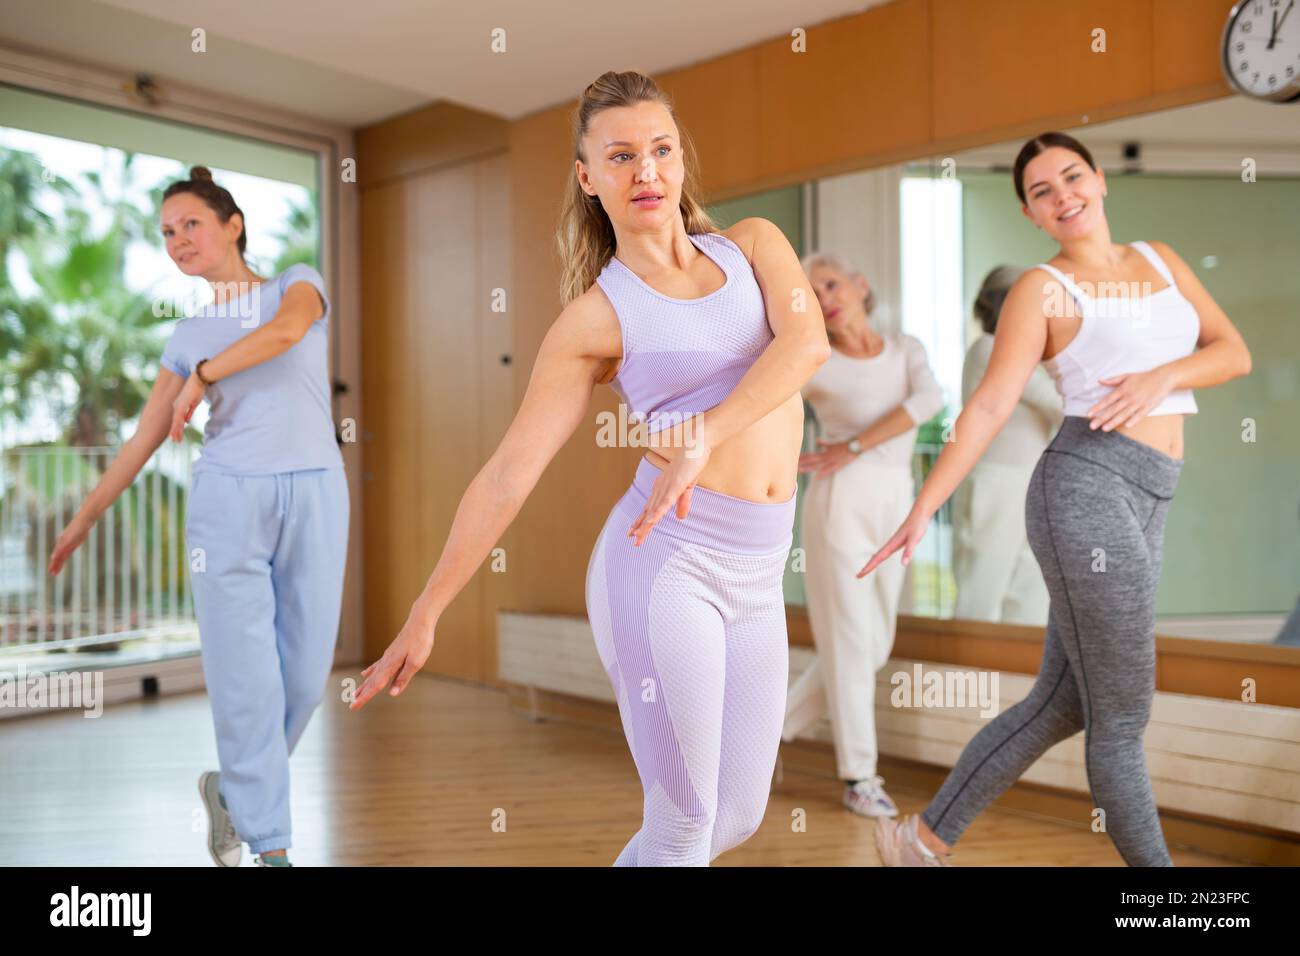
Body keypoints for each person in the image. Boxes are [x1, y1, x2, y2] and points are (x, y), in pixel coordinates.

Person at [348, 70, 830, 866]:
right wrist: (427, 610)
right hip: (666, 567)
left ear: (680, 161)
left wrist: (702, 432)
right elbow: (509, 472)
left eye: (661, 150)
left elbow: (806, 345)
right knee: (681, 823)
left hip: (758, 571)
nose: (646, 171)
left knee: (735, 817)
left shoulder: (753, 246)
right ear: (588, 177)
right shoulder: (597, 318)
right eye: (621, 156)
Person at [861, 131, 1251, 867]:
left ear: (1100, 181)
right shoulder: (1041, 291)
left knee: (1066, 701)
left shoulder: (1161, 261)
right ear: (1032, 213)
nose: (1063, 194)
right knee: (1124, 717)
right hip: (1085, 490)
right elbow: (984, 409)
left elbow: (1233, 351)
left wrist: (1162, 376)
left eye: (1072, 177)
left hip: (1152, 493)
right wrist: (921, 510)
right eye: (1043, 190)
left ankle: (920, 840)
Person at [49, 166, 347, 868]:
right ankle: (270, 847)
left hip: (315, 491)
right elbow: (146, 436)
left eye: (190, 224)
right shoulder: (185, 332)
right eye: (166, 234)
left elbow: (286, 332)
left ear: (232, 225)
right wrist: (86, 516)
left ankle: (232, 793)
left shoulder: (295, 284)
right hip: (227, 501)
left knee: (305, 679)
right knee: (247, 679)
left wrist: (206, 377)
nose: (178, 241)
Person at [781, 252, 943, 818]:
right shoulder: (814, 360)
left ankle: (761, 736)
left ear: (860, 283)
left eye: (830, 283)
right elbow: (767, 405)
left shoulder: (907, 349)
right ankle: (860, 777)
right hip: (838, 502)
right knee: (850, 644)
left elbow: (930, 400)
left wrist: (854, 443)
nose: (825, 296)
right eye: (812, 292)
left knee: (871, 645)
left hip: (896, 501)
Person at [952, 265, 1063, 625]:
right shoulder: (988, 348)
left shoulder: (1021, 352)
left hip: (1029, 480)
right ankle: (967, 677)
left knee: (1029, 587)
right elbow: (1056, 402)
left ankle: (1017, 676)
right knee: (983, 584)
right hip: (997, 480)